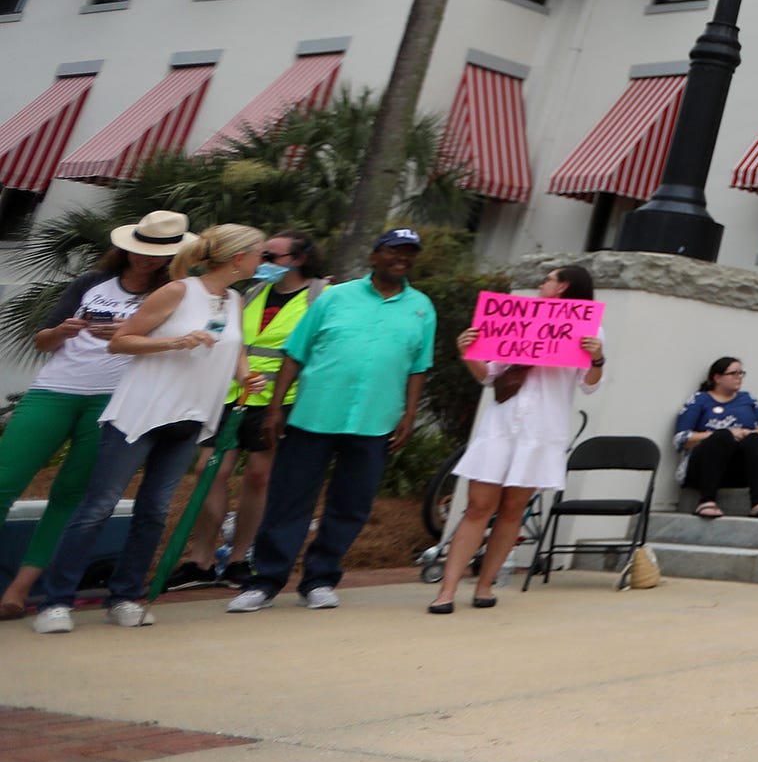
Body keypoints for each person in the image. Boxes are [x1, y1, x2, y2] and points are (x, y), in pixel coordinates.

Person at [26, 223, 263, 633]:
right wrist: (172, 343)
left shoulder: (235, 299)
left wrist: (245, 376)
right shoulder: (177, 290)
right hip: (141, 413)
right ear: (239, 258)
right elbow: (121, 340)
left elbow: (235, 344)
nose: (264, 261)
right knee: (97, 507)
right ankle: (56, 601)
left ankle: (125, 596)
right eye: (260, 253)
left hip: (190, 416)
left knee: (154, 511)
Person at [230, 226, 437, 614]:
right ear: (375, 255)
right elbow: (295, 353)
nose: (402, 258)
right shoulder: (333, 297)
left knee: (352, 504)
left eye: (409, 253)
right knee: (289, 500)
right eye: (394, 250)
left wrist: (409, 414)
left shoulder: (422, 307)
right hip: (313, 416)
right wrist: (275, 409)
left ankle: (320, 579)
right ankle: (266, 582)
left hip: (376, 422)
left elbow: (418, 368)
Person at [0, 209, 184, 620]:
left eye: (158, 252)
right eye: (140, 249)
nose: (147, 258)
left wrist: (125, 333)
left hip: (113, 400)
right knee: (4, 479)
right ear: (123, 247)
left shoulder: (172, 293)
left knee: (71, 497)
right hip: (54, 390)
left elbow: (173, 346)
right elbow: (43, 340)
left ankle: (19, 589)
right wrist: (64, 329)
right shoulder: (90, 283)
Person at [430, 262, 606, 612]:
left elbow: (589, 385)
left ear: (563, 286)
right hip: (501, 426)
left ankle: (485, 586)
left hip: (540, 431)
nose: (542, 284)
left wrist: (598, 357)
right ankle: (447, 590)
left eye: (548, 280)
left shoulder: (591, 328)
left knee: (513, 511)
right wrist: (468, 351)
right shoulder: (519, 316)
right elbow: (489, 376)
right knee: (478, 507)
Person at [167, 231, 325, 591]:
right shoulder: (247, 292)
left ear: (299, 260)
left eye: (273, 256)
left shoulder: (322, 296)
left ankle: (239, 559)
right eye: (262, 255)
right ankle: (200, 559)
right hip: (228, 393)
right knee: (210, 471)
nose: (264, 262)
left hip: (279, 400)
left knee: (258, 477)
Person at [675, 358, 758, 521]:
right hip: (702, 469)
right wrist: (725, 433)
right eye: (733, 373)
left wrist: (746, 433)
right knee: (722, 437)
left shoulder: (748, 399)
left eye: (741, 373)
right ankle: (706, 501)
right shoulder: (699, 400)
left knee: (755, 439)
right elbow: (681, 438)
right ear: (717, 378)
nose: (739, 377)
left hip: (736, 470)